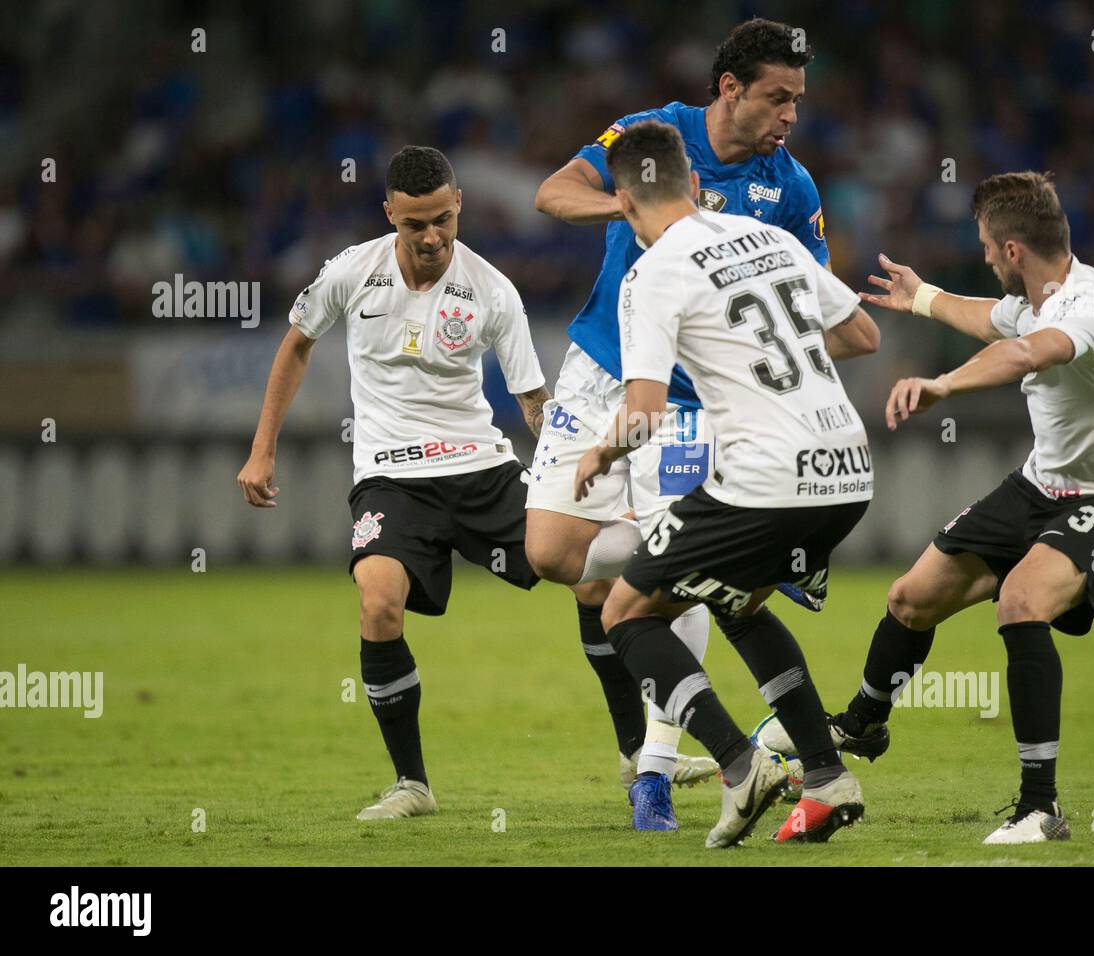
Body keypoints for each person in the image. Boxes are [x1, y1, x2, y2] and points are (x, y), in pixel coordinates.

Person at [759, 171, 1094, 844]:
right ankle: (865, 721)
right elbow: (994, 319)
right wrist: (922, 297)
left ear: (1013, 249)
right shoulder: (1036, 297)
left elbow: (1027, 350)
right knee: (910, 599)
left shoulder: (1090, 303)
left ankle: (1040, 807)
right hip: (1043, 487)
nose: (982, 254)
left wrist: (943, 384)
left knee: (1021, 600)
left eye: (986, 244)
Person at [527, 17, 834, 831]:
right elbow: (551, 193)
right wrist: (631, 211)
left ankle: (659, 769)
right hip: (600, 364)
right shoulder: (653, 136)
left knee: (673, 575)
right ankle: (724, 562)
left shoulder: (792, 186)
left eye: (798, 100)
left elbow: (813, 304)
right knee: (558, 557)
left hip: (693, 402)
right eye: (778, 97)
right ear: (729, 89)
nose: (790, 116)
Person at [575, 121, 882, 847]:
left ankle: (740, 765)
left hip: (767, 478)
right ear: (691, 179)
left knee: (625, 612)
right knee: (738, 603)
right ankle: (827, 776)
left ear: (622, 198)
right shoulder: (767, 236)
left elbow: (644, 413)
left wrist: (600, 453)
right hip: (848, 470)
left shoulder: (652, 273)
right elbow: (861, 335)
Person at [237, 146, 550, 820]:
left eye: (443, 218)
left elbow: (531, 401)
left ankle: (641, 757)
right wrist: (262, 451)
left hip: (481, 467)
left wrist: (568, 466)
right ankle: (413, 784)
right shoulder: (352, 272)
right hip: (391, 476)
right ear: (390, 216)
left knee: (591, 569)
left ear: (459, 203)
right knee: (378, 600)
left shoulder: (493, 289)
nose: (433, 236)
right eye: (416, 225)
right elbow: (296, 343)